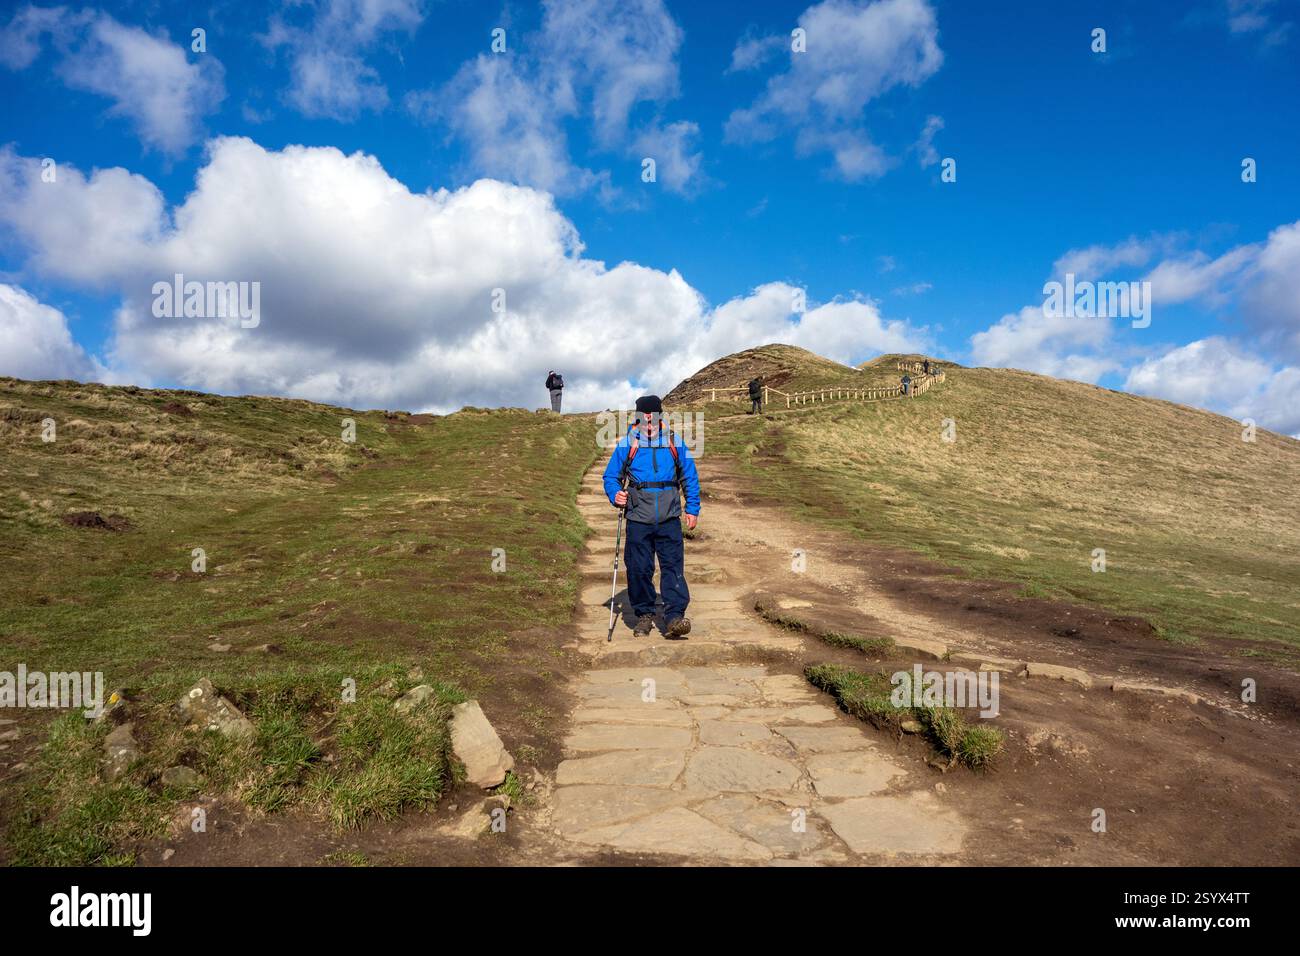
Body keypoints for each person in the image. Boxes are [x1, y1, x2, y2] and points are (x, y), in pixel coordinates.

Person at [602, 395, 701, 639]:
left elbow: (689, 476)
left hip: (669, 518)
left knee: (672, 568)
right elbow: (610, 476)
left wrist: (692, 508)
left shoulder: (674, 442)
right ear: (637, 418)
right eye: (644, 418)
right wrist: (616, 495)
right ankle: (644, 615)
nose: (648, 422)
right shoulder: (628, 444)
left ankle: (675, 616)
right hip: (638, 519)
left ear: (660, 417)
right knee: (638, 568)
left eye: (653, 417)